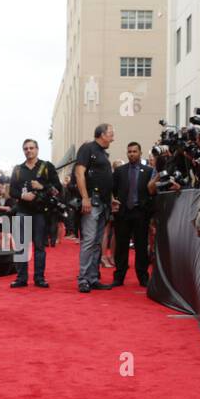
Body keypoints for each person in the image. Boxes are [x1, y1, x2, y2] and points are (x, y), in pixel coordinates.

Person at [8, 138, 60, 288]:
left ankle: (39, 278)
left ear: (37, 149)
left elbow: (58, 189)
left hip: (40, 213)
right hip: (22, 211)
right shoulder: (18, 169)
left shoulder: (47, 167)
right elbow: (12, 190)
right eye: (26, 148)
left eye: (31, 148)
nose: (28, 150)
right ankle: (21, 278)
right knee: (20, 247)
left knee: (39, 247)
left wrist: (42, 186)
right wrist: (22, 196)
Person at [74, 123, 115, 293]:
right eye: (111, 133)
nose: (113, 136)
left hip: (103, 204)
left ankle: (92, 278)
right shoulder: (88, 148)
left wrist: (112, 199)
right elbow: (79, 173)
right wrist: (85, 198)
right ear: (102, 134)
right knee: (89, 241)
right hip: (92, 202)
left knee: (97, 243)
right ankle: (83, 279)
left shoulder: (103, 154)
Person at [110, 141, 156, 287]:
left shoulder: (148, 171)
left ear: (140, 153)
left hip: (140, 213)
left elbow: (152, 192)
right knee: (121, 246)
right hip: (123, 213)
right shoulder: (119, 171)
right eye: (129, 151)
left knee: (141, 246)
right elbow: (114, 190)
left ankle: (143, 276)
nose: (132, 154)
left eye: (134, 151)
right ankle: (119, 276)